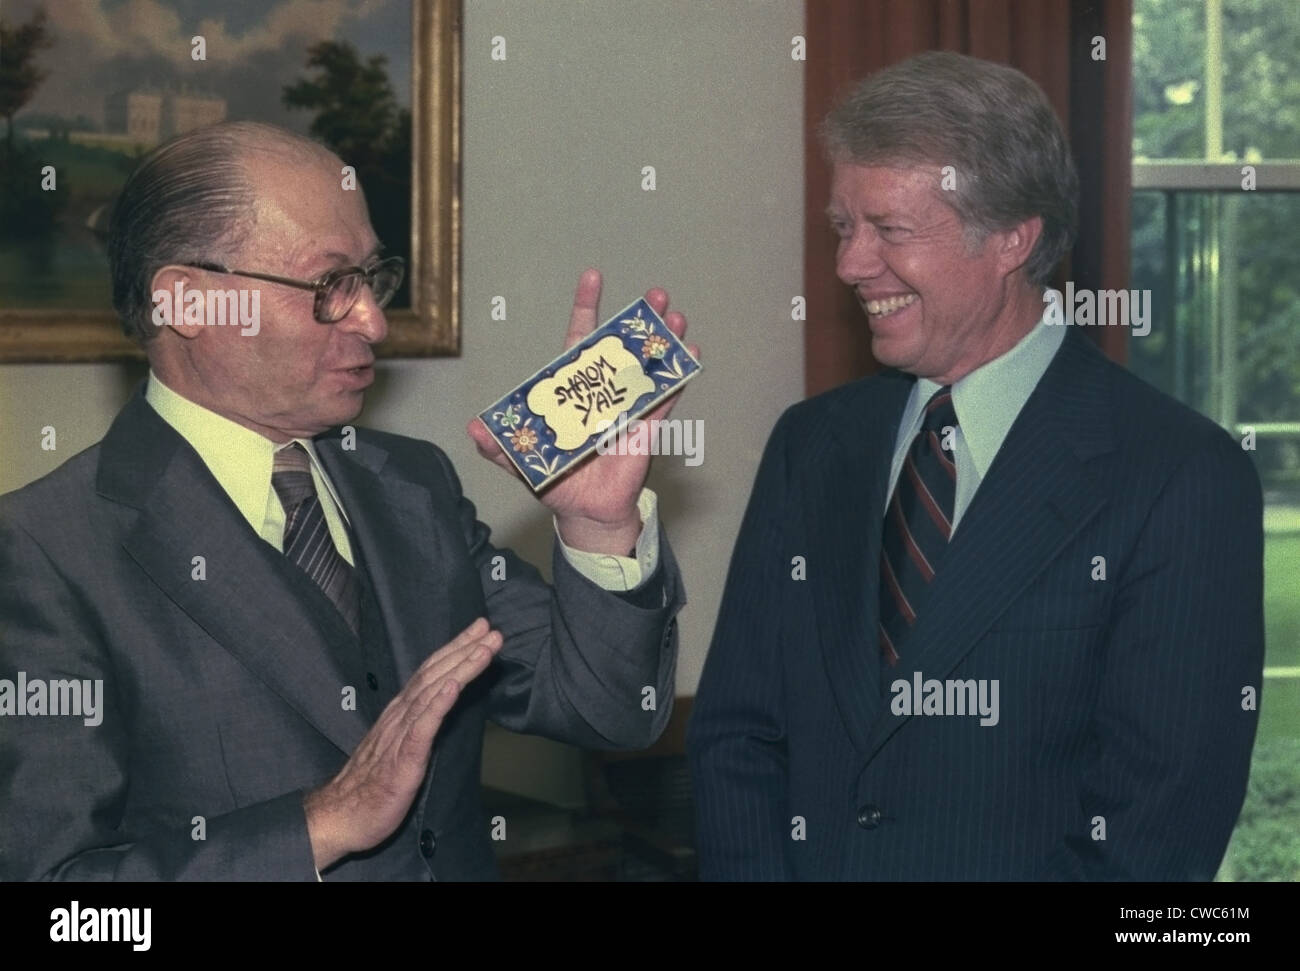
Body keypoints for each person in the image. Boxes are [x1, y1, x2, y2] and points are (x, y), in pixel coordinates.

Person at [0, 121, 693, 881]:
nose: (374, 321)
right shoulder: (44, 551)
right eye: (330, 286)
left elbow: (610, 712)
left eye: (373, 278)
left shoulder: (410, 485)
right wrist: (321, 824)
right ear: (188, 303)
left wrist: (597, 527)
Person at [688, 51, 1263, 880]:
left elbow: (1155, 835)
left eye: (889, 229)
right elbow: (737, 735)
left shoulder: (1179, 476)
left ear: (1010, 239)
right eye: (844, 227)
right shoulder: (809, 445)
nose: (850, 264)